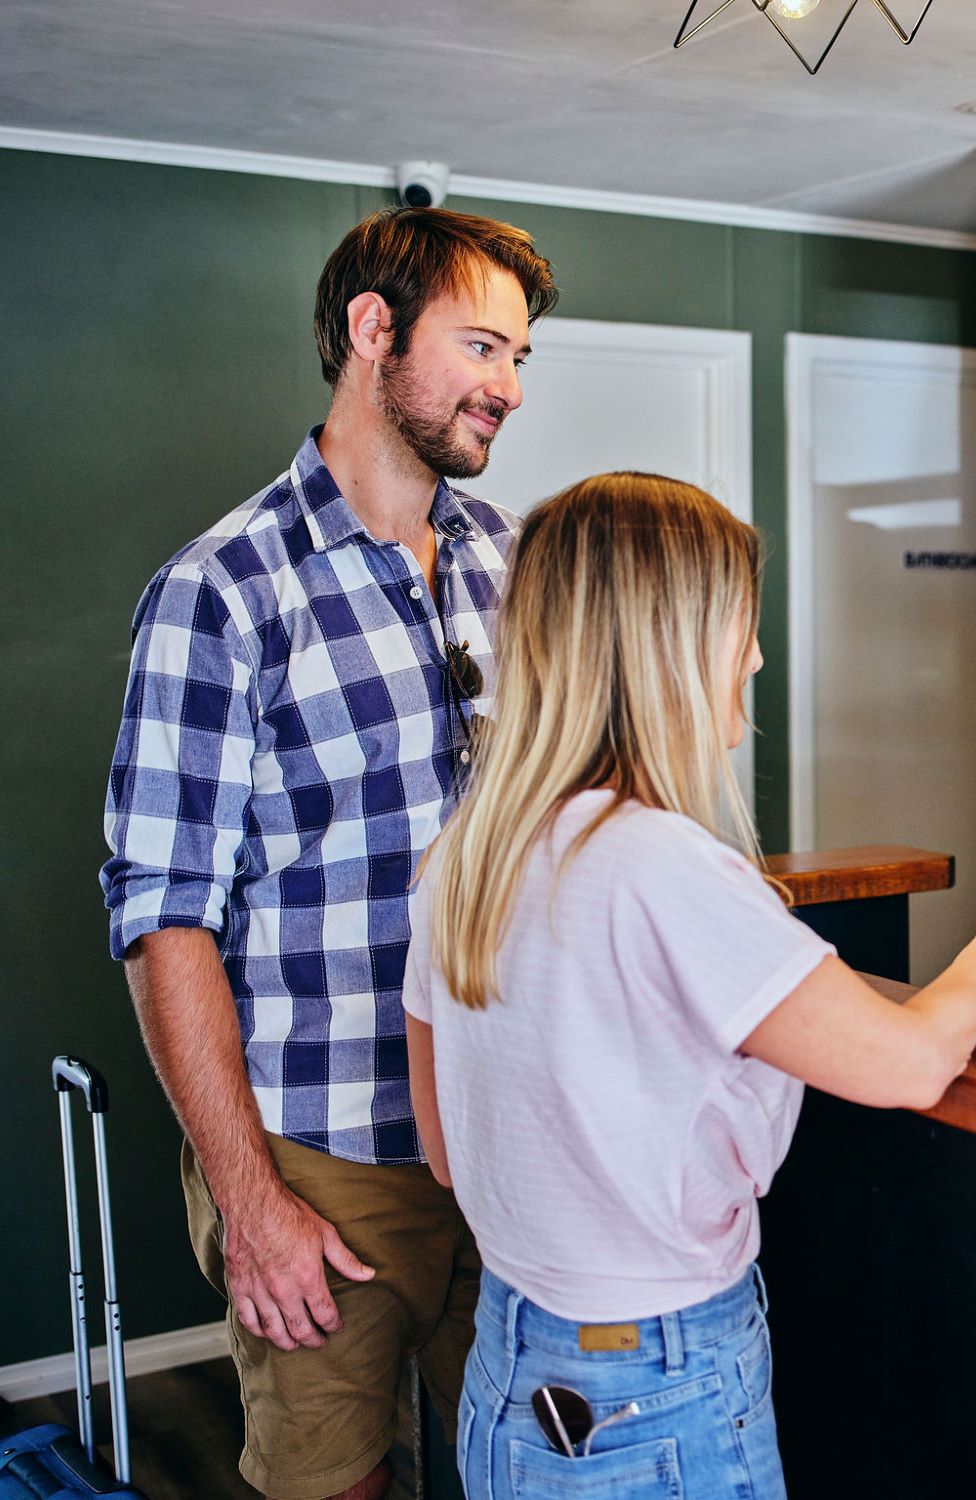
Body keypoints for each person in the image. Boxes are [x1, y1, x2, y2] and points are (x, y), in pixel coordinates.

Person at [402, 471, 976, 1500]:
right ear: (673, 645)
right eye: (739, 627)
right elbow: (912, 1065)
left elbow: (445, 1150)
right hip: (651, 1391)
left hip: (511, 1370)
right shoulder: (661, 867)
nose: (753, 654)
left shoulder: (465, 858)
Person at [101, 207, 558, 1500]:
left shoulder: (516, 565)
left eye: (520, 359)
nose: (508, 389)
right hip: (325, 1150)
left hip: (509, 1137)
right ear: (374, 331)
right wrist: (250, 1200)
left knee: (520, 1472)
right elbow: (163, 912)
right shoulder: (224, 591)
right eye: (482, 347)